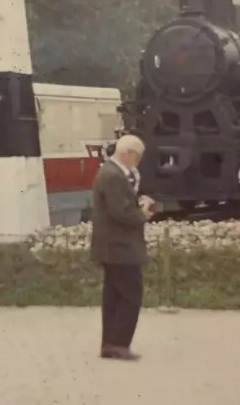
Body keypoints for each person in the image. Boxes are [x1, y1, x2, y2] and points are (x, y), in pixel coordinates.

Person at [90, 134, 155, 361]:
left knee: (114, 295)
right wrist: (143, 214)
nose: (137, 162)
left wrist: (136, 204)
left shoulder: (110, 172)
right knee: (131, 294)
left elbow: (118, 206)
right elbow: (121, 212)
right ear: (128, 153)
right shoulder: (113, 176)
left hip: (111, 247)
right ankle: (119, 344)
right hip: (120, 247)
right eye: (137, 157)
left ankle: (110, 343)